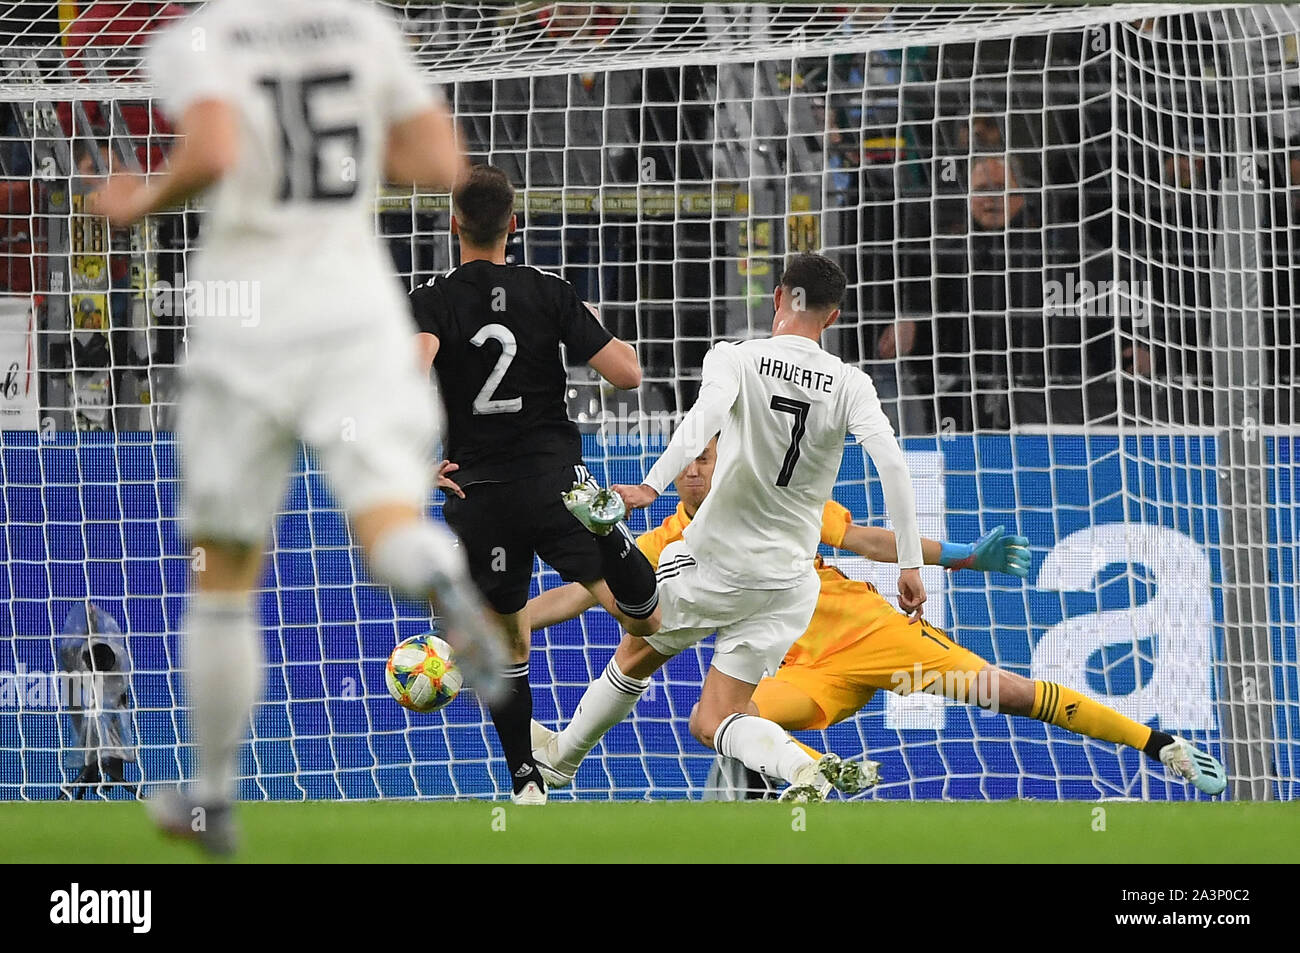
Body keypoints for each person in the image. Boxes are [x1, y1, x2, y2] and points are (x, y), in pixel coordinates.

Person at [91, 0, 506, 854]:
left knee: (227, 568)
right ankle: (438, 577)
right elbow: (440, 161)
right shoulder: (361, 28)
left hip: (246, 329)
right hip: (358, 315)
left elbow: (212, 150)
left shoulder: (198, 37)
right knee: (389, 520)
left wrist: (142, 198)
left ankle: (211, 798)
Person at [528, 435, 1228, 799]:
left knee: (1005, 693)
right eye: (686, 461)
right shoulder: (664, 539)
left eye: (707, 457)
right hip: (803, 671)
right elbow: (590, 591)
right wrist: (518, 620)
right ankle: (817, 780)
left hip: (876, 636)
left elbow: (867, 540)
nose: (694, 470)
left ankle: (1155, 742)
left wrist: (958, 555)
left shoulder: (774, 504)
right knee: (730, 724)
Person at [529, 253, 927, 801]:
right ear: (832, 319)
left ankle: (561, 761)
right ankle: (804, 770)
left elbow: (704, 418)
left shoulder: (736, 358)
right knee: (714, 718)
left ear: (779, 296)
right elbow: (893, 466)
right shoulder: (852, 384)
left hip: (719, 560)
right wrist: (909, 564)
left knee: (636, 651)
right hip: (790, 582)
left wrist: (650, 485)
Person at [413, 164, 661, 805]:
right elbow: (628, 375)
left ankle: (525, 781)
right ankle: (609, 541)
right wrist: (593, 326)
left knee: (507, 638)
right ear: (513, 226)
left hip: (480, 494)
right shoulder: (548, 290)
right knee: (646, 617)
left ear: (453, 225)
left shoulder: (432, 298)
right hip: (556, 481)